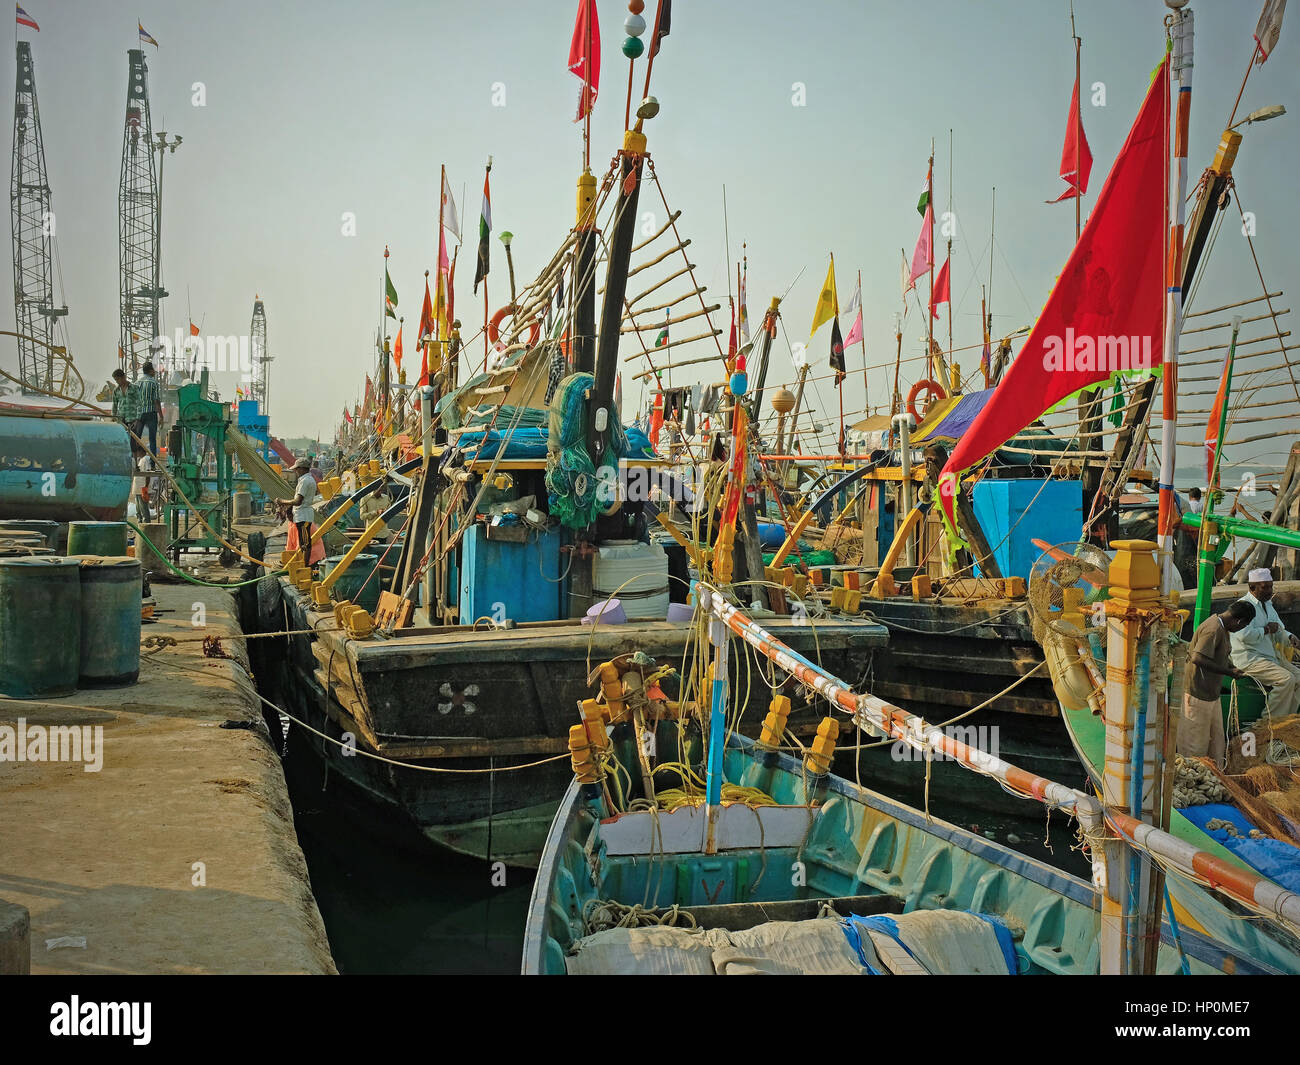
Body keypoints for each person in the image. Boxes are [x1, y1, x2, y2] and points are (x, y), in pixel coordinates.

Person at [1180, 600, 1255, 766]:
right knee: (1196, 745)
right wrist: (1229, 672)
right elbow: (1197, 658)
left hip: (1211, 695)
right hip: (1198, 693)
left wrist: (1232, 667)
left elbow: (1218, 656)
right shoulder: (1213, 629)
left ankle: (1217, 775)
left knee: (1217, 741)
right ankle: (1194, 779)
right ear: (1239, 621)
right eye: (1243, 626)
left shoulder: (1223, 627)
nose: (1241, 630)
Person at [1230, 568, 1300, 718]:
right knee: (1286, 680)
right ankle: (1270, 722)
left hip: (1269, 656)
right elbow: (1243, 635)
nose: (1269, 591)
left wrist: (1290, 637)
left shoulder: (1267, 604)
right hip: (1251, 658)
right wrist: (1267, 629)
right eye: (1265, 587)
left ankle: (1288, 718)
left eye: (1271, 586)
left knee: (1299, 678)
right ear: (1252, 587)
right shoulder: (1243, 605)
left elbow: (1279, 628)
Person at [278, 457, 321, 569]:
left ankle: (304, 567)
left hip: (303, 515)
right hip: (302, 515)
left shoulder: (305, 481)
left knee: (305, 543)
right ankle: (303, 564)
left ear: (302, 469)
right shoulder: (307, 480)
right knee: (303, 543)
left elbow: (298, 501)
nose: (295, 472)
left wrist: (281, 501)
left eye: (296, 469)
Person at [134, 360, 163, 457]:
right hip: (151, 413)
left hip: (139, 414)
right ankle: (153, 464)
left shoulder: (136, 383)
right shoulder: (154, 383)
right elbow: (156, 401)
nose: (155, 372)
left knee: (136, 437)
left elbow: (133, 400)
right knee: (152, 439)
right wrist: (161, 416)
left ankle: (134, 461)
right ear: (150, 371)